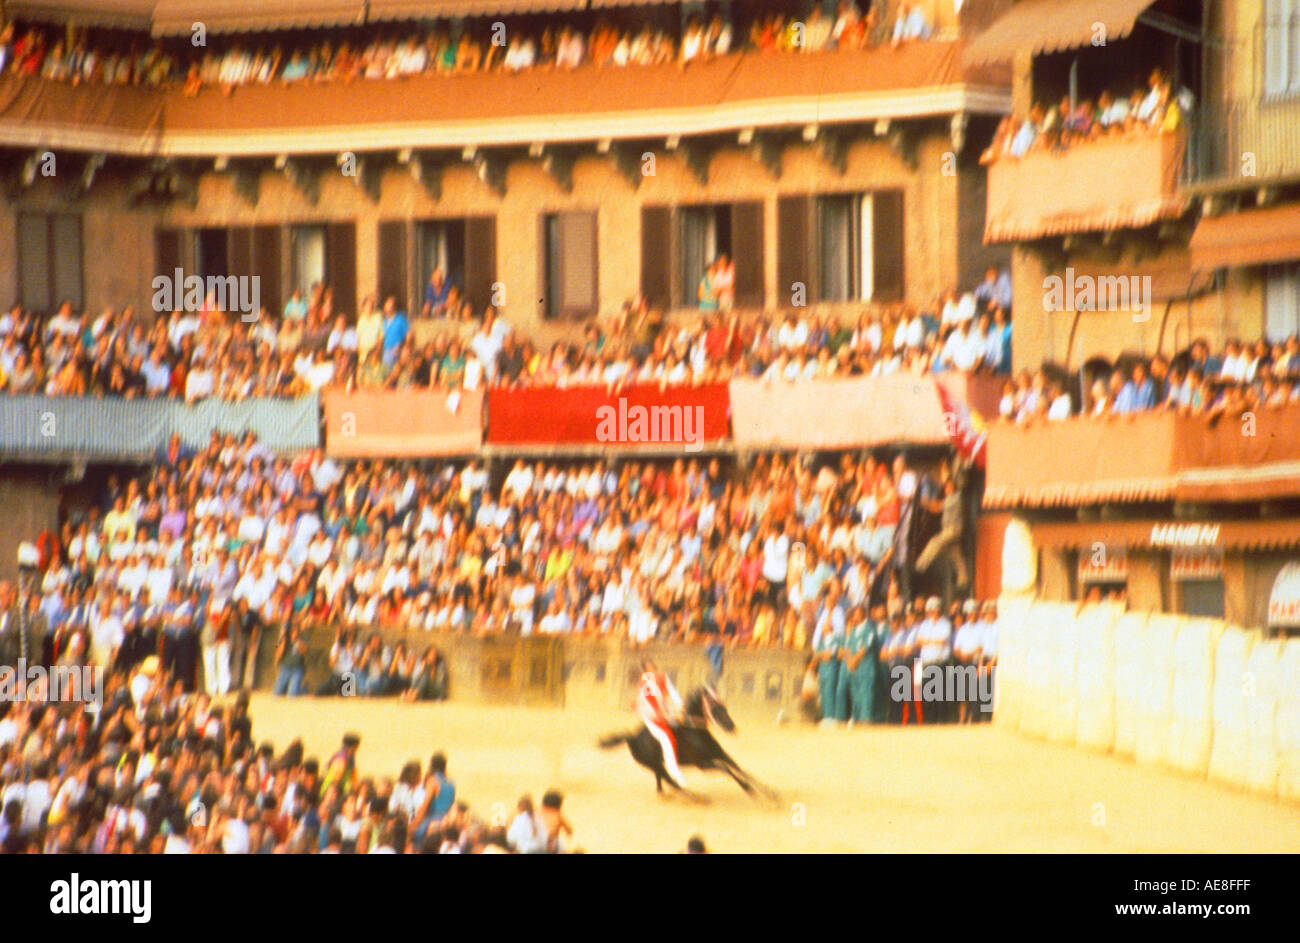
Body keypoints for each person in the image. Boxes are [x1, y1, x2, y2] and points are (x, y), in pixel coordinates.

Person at [635, 659, 687, 789]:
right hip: (651, 716)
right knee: (666, 740)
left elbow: (672, 692)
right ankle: (674, 772)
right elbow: (649, 703)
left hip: (665, 712)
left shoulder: (662, 677)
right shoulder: (644, 682)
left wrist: (680, 706)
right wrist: (663, 714)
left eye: (653, 666)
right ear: (645, 671)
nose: (652, 669)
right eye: (649, 668)